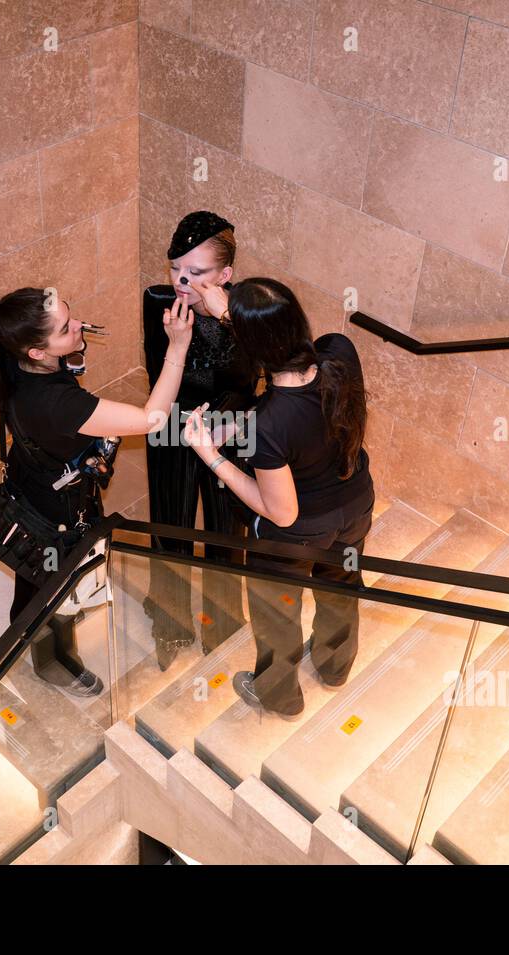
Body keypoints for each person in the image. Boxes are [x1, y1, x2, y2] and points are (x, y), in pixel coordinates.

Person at [0, 287, 194, 696]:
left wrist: (68, 348)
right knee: (54, 583)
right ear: (37, 352)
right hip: (57, 508)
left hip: (32, 481)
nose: (78, 325)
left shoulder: (13, 359)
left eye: (70, 315)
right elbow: (151, 418)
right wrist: (177, 347)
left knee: (34, 573)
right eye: (64, 329)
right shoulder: (56, 404)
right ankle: (51, 660)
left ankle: (26, 624)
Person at [182, 277, 374, 719]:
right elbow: (301, 397)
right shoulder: (338, 353)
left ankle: (279, 695)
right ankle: (334, 665)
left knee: (278, 609)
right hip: (356, 505)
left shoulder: (270, 424)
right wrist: (234, 315)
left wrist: (211, 456)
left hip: (298, 534)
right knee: (341, 585)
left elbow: (281, 512)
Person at [141, 211, 258, 668]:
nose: (182, 280)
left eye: (196, 271)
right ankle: (169, 623)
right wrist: (179, 342)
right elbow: (158, 376)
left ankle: (223, 623)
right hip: (172, 425)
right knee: (170, 522)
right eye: (175, 268)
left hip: (230, 428)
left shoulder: (247, 311)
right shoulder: (157, 302)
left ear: (225, 275)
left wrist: (227, 322)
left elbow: (254, 380)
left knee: (226, 531)